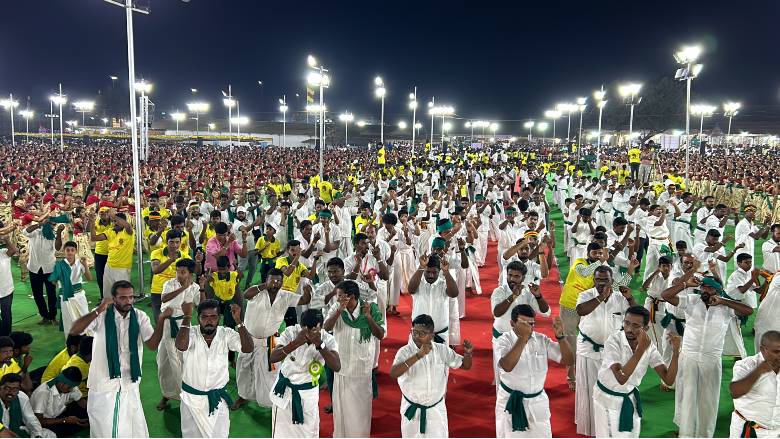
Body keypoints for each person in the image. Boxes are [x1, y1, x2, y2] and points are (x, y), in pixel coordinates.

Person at [69, 280, 170, 438]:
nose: (128, 301)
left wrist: (162, 319)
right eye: (123, 297)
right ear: (113, 298)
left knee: (131, 426)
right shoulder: (102, 315)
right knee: (105, 428)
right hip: (104, 383)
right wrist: (99, 309)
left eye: (131, 297)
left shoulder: (140, 317)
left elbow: (152, 344)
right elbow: (74, 330)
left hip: (129, 383)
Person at [662, 275, 753, 438]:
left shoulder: (726, 307)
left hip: (711, 359)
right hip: (689, 356)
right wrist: (685, 284)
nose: (705, 290)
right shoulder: (692, 300)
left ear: (718, 290)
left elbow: (748, 311)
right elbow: (666, 295)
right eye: (703, 287)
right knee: (687, 396)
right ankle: (685, 432)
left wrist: (723, 301)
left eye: (710, 288)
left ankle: (704, 434)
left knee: (708, 400)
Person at [592, 306, 681, 438]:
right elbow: (621, 378)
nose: (629, 329)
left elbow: (668, 380)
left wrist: (675, 352)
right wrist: (640, 350)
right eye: (627, 323)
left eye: (635, 326)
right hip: (606, 399)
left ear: (646, 328)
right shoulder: (613, 341)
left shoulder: (649, 347)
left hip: (629, 397)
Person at [233, 268, 311, 410]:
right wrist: (265, 286)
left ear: (282, 282)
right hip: (248, 339)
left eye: (278, 281)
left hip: (269, 341)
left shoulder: (286, 296)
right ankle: (243, 396)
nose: (275, 283)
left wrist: (307, 291)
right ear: (266, 280)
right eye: (272, 280)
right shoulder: (257, 292)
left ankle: (270, 401)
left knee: (269, 373)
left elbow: (305, 300)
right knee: (244, 369)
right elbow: (245, 294)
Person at [175, 299, 253, 437]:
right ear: (198, 318)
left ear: (219, 318)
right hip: (191, 400)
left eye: (213, 317)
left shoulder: (226, 334)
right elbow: (181, 345)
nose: (209, 321)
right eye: (204, 317)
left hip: (218, 401)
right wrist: (187, 316)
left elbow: (248, 348)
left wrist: (238, 321)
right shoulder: (190, 333)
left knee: (220, 435)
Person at [574, 265, 636, 437]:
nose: (601, 283)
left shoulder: (620, 298)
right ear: (593, 280)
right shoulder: (586, 295)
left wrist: (630, 298)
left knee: (611, 389)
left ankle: (610, 424)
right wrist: (601, 297)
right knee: (589, 389)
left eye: (605, 280)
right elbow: (581, 310)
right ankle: (591, 427)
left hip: (613, 353)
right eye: (598, 280)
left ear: (612, 280)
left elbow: (637, 316)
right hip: (589, 351)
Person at [389, 314, 473, 437]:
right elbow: (393, 373)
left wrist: (468, 354)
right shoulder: (404, 352)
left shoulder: (441, 350)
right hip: (412, 410)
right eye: (414, 332)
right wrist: (418, 356)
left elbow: (465, 365)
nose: (417, 336)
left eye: (422, 333)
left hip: (436, 410)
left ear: (432, 335)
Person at [495, 305, 573, 437]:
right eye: (523, 323)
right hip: (511, 403)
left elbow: (569, 360)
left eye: (531, 324)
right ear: (512, 323)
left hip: (538, 403)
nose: (528, 328)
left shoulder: (541, 340)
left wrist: (560, 337)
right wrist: (522, 338)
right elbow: (507, 366)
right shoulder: (504, 340)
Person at [323, 280, 385, 437]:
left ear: (351, 297)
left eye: (340, 296)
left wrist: (368, 317)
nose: (337, 299)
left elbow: (380, 334)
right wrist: (339, 310)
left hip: (361, 369)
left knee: (360, 411)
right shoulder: (337, 308)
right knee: (341, 407)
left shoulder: (370, 308)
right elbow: (326, 328)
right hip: (342, 367)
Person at [268, 309, 341, 438]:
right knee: (281, 433)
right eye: (306, 329)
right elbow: (273, 357)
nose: (310, 334)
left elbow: (336, 366)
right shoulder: (291, 332)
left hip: (307, 395)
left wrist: (320, 344)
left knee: (308, 433)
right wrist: (295, 343)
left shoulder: (327, 339)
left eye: (315, 330)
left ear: (321, 327)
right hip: (285, 391)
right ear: (300, 326)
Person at [491, 261, 550, 386]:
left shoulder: (528, 293)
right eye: (510, 275)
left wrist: (538, 296)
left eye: (516, 276)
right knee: (502, 377)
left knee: (522, 375)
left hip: (522, 339)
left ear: (523, 278)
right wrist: (512, 296)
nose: (512, 279)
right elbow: (497, 312)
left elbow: (545, 312)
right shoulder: (499, 291)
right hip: (501, 338)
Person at [156, 258, 203, 411]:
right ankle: (167, 394)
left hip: (183, 325)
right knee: (163, 363)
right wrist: (183, 288)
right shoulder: (169, 284)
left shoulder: (195, 287)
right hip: (167, 325)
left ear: (190, 274)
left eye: (183, 272)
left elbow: (201, 305)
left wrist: (202, 288)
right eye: (178, 271)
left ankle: (187, 396)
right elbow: (164, 298)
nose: (179, 275)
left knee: (178, 362)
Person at [728, 330, 780, 438]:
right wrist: (759, 371)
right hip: (750, 430)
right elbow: (735, 392)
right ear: (763, 349)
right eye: (776, 352)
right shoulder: (746, 365)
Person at [408, 253, 459, 345]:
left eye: (434, 272)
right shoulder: (419, 283)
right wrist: (421, 266)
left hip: (440, 335)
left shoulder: (443, 284)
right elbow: (411, 290)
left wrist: (446, 272)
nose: (431, 275)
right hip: (418, 336)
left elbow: (454, 293)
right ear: (424, 270)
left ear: (439, 272)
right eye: (428, 272)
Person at [48, 241, 92, 339]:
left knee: (84, 317)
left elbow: (89, 278)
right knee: (69, 321)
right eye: (68, 250)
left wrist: (85, 265)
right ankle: (71, 342)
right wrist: (59, 277)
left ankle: (87, 339)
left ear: (76, 251)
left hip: (79, 295)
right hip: (66, 297)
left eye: (72, 250)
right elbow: (53, 282)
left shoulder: (80, 263)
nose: (70, 253)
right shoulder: (59, 265)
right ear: (64, 251)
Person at [30, 366, 88, 437]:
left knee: (84, 414)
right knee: (56, 432)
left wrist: (92, 413)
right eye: (69, 387)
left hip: (58, 416)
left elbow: (81, 401)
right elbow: (38, 421)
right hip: (44, 422)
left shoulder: (70, 385)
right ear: (62, 383)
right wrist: (64, 420)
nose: (71, 390)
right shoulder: (43, 393)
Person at [89, 210, 135, 298]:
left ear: (124, 222)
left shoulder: (128, 232)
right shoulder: (110, 231)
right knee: (108, 294)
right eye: (113, 221)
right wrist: (91, 222)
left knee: (123, 295)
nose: (115, 223)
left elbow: (128, 226)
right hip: (109, 267)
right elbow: (94, 238)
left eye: (117, 221)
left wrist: (113, 216)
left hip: (122, 268)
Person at [0, 373, 48, 438]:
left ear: (19, 390)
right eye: (7, 388)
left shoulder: (22, 397)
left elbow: (31, 419)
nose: (10, 392)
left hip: (16, 432)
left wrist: (38, 435)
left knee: (47, 433)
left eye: (15, 389)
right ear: (0, 388)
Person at [0, 234, 17, 337]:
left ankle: (7, 337)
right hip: (6, 290)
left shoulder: (4, 253)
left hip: (6, 290)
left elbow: (14, 250)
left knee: (6, 315)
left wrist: (6, 239)